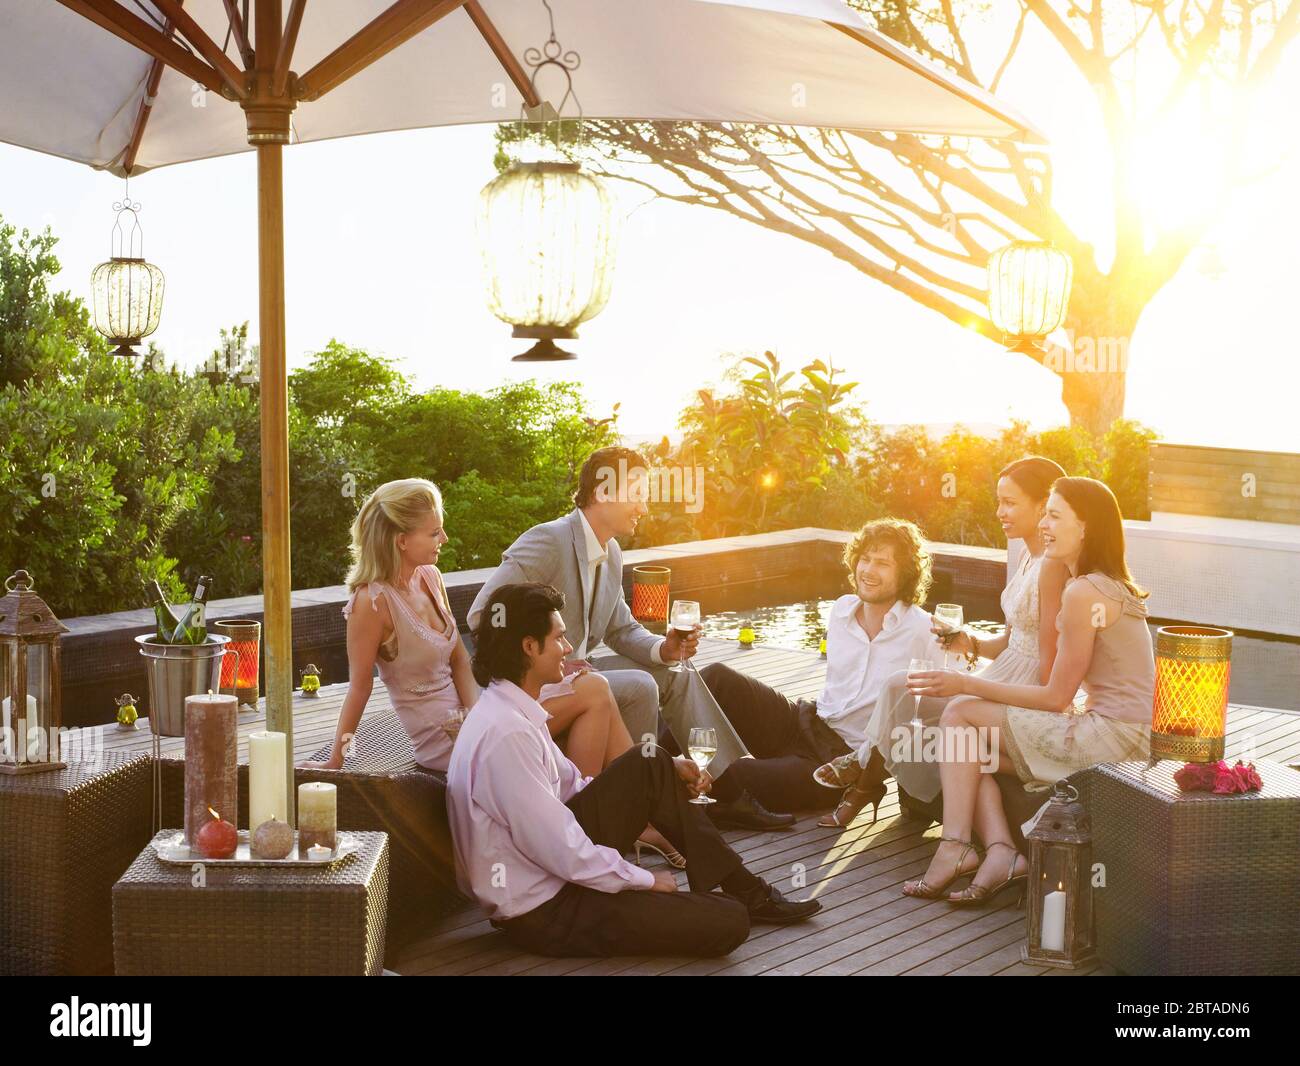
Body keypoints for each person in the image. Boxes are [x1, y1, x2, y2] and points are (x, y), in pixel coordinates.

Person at [446, 582, 821, 958]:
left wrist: (667, 774)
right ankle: (738, 898)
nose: (567, 649)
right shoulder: (506, 733)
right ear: (529, 646)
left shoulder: (512, 710)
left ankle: (745, 888)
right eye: (559, 638)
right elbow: (559, 848)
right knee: (730, 922)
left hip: (550, 875)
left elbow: (574, 789)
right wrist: (642, 881)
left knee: (651, 759)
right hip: (545, 909)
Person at [468, 446, 792, 832]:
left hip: (579, 674)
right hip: (535, 684)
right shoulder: (549, 541)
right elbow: (483, 615)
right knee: (639, 684)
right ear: (604, 493)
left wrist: (664, 648)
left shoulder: (613, 553)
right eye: (637, 494)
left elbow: (621, 628)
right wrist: (545, 656)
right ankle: (642, 799)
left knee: (678, 670)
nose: (644, 506)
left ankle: (727, 789)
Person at [904, 476, 1154, 905]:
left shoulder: (1085, 591)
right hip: (1122, 735)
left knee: (959, 714)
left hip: (1114, 740)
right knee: (966, 747)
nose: (1044, 525)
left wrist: (964, 682)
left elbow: (1057, 698)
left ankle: (955, 846)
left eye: (1054, 516)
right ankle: (1001, 853)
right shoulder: (1102, 583)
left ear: (1087, 527)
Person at [812, 456, 1070, 827]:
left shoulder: (1052, 565)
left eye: (1010, 502)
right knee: (904, 684)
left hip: (1021, 692)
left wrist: (974, 685)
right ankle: (871, 774)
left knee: (907, 689)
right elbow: (1013, 643)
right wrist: (970, 643)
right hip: (1005, 672)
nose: (1000, 512)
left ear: (1043, 504)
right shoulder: (1027, 557)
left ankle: (863, 778)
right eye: (999, 501)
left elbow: (1046, 667)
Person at [698, 518, 935, 819]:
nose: (868, 571)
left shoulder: (923, 629)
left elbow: (941, 705)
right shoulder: (842, 609)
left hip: (837, 762)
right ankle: (642, 757)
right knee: (717, 677)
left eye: (883, 563)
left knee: (730, 773)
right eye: (865, 559)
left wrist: (872, 773)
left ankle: (663, 793)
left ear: (905, 574)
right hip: (804, 721)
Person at [304, 478, 477, 773]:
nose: (444, 538)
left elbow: (460, 660)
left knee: (543, 722)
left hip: (469, 719)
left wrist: (477, 717)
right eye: (435, 532)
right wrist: (337, 758)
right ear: (402, 540)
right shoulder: (371, 604)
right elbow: (359, 688)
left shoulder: (430, 577)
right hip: (441, 740)